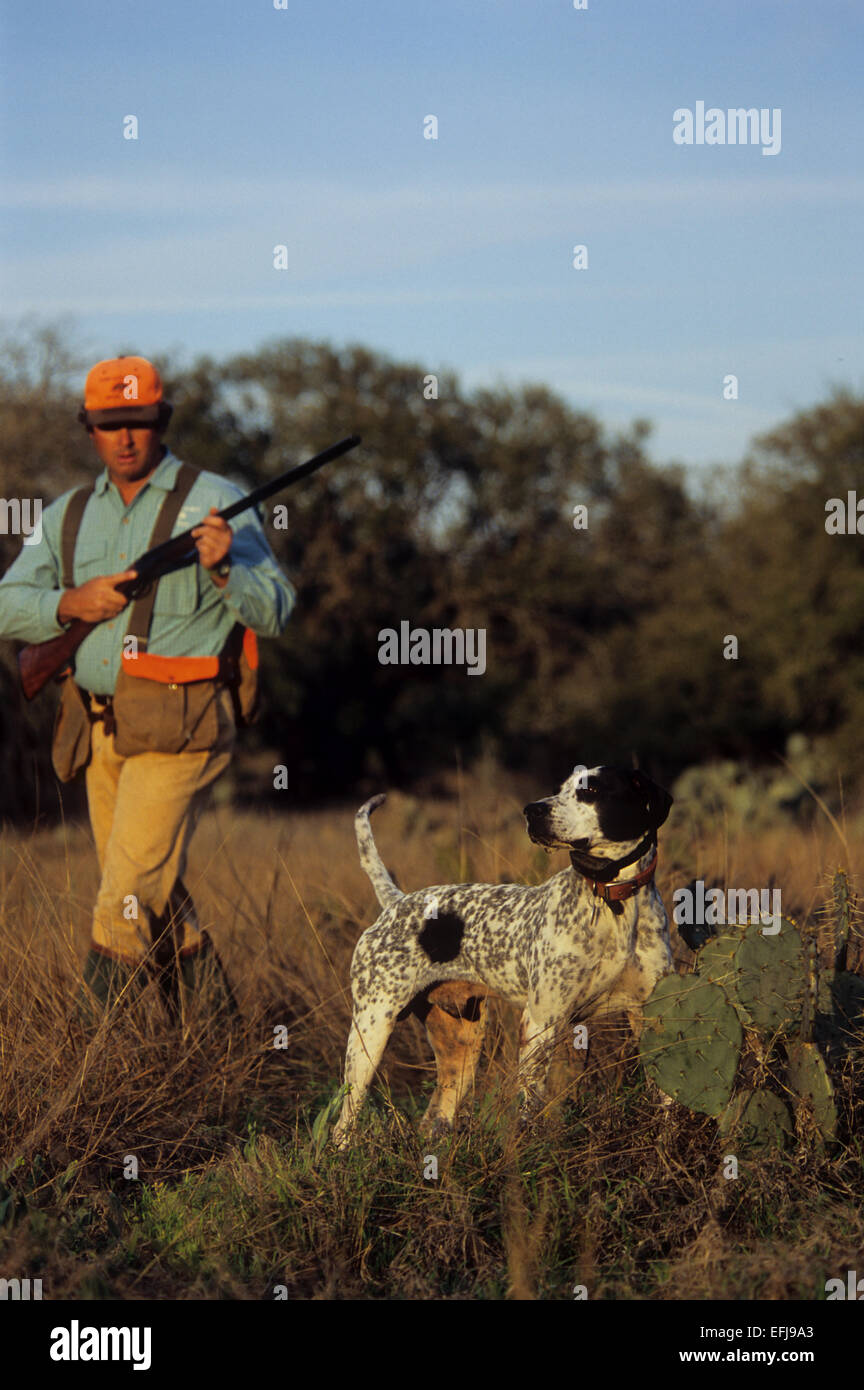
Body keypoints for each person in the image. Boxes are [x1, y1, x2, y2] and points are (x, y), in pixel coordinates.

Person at [0, 356, 295, 1022]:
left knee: (122, 896)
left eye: (139, 422)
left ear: (160, 421)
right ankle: (219, 1038)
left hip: (183, 729)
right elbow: (6, 604)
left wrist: (225, 571)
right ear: (90, 429)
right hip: (98, 727)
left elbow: (275, 609)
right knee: (143, 890)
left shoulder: (215, 500)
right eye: (110, 425)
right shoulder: (68, 514)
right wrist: (67, 603)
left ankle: (83, 1059)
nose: (126, 438)